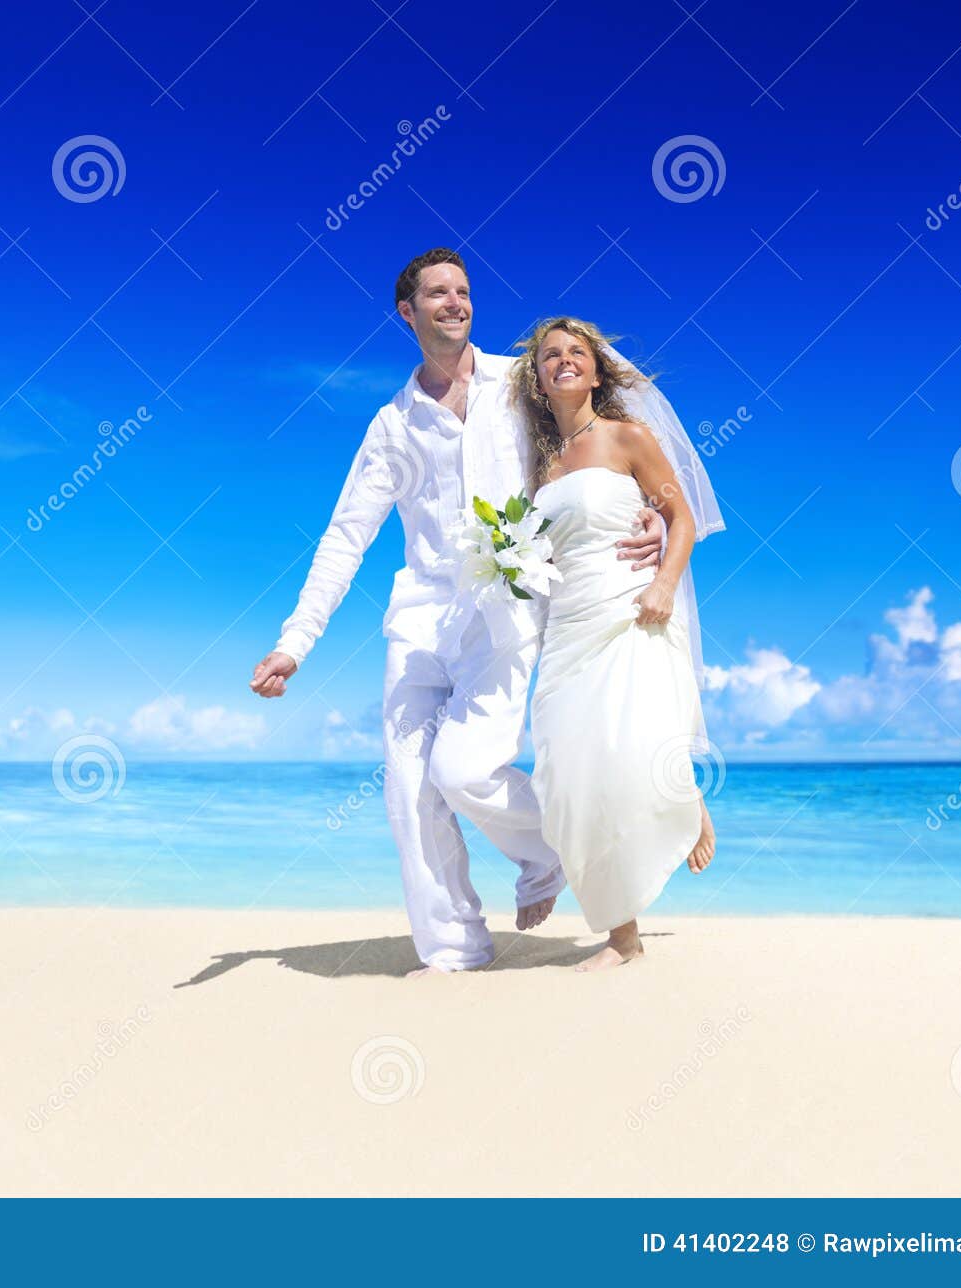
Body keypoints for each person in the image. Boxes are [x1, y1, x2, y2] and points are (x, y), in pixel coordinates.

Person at [248, 248, 685, 974]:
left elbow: (600, 424)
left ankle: (550, 847)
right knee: (407, 788)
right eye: (438, 293)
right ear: (407, 311)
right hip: (419, 621)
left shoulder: (516, 385)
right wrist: (296, 642)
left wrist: (646, 513)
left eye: (464, 291)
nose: (455, 302)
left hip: (505, 613)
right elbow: (346, 535)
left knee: (462, 770)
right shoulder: (391, 426)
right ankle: (453, 951)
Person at [517, 317, 719, 970]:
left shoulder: (629, 437)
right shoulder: (542, 463)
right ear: (539, 377)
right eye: (551, 355)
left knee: (621, 751)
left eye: (577, 353)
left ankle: (621, 938)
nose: (565, 361)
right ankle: (680, 800)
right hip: (569, 625)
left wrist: (663, 580)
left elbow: (681, 516)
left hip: (630, 606)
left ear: (597, 372)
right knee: (567, 773)